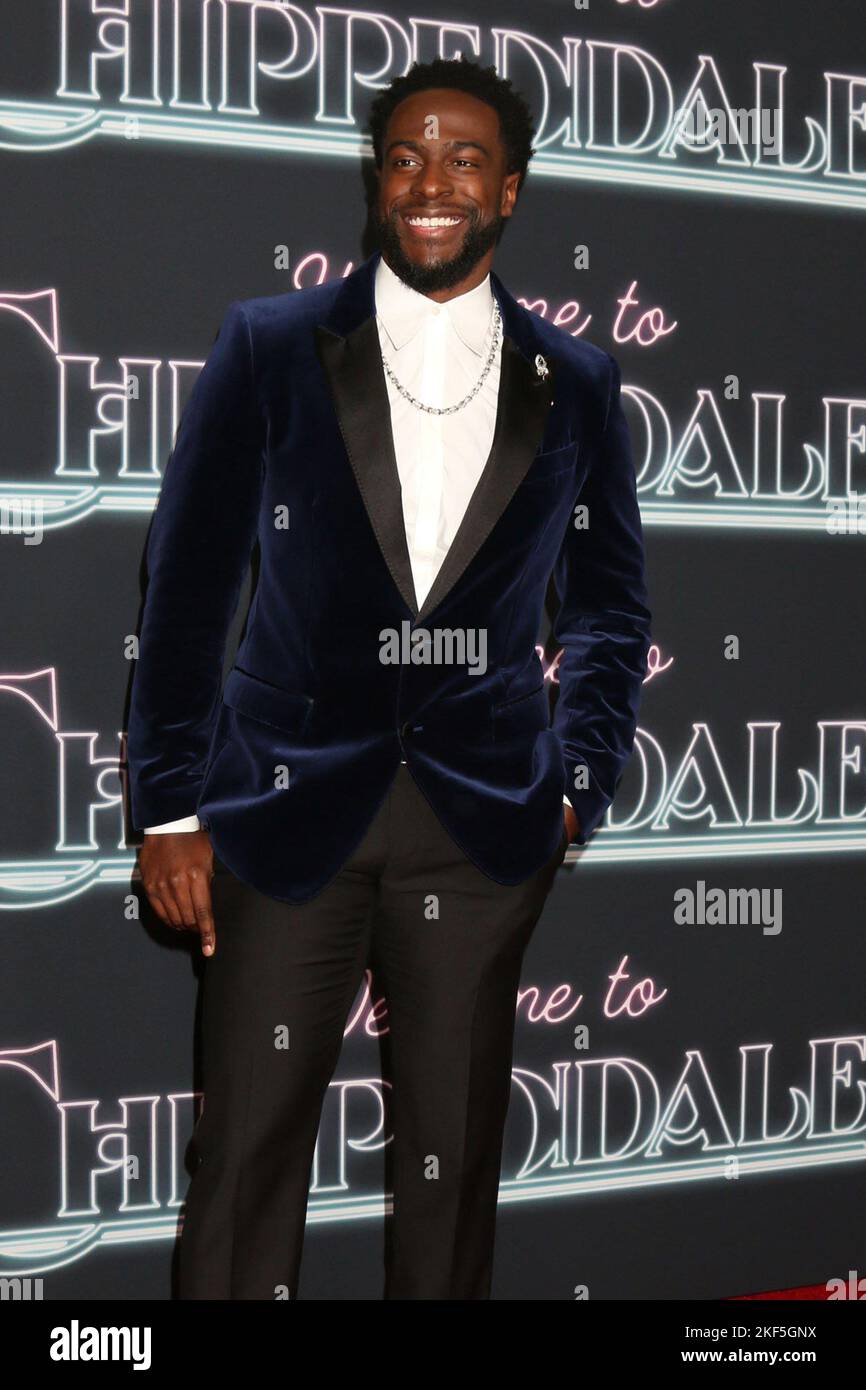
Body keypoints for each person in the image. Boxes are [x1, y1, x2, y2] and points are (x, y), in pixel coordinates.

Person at [126, 56, 651, 1300]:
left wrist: (574, 781)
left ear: (508, 190)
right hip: (280, 810)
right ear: (376, 181)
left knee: (449, 1163)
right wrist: (167, 807)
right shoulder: (270, 345)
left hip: (480, 828)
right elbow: (187, 589)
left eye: (463, 159)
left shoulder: (574, 381)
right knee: (245, 1157)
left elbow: (611, 605)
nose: (432, 181)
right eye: (407, 159)